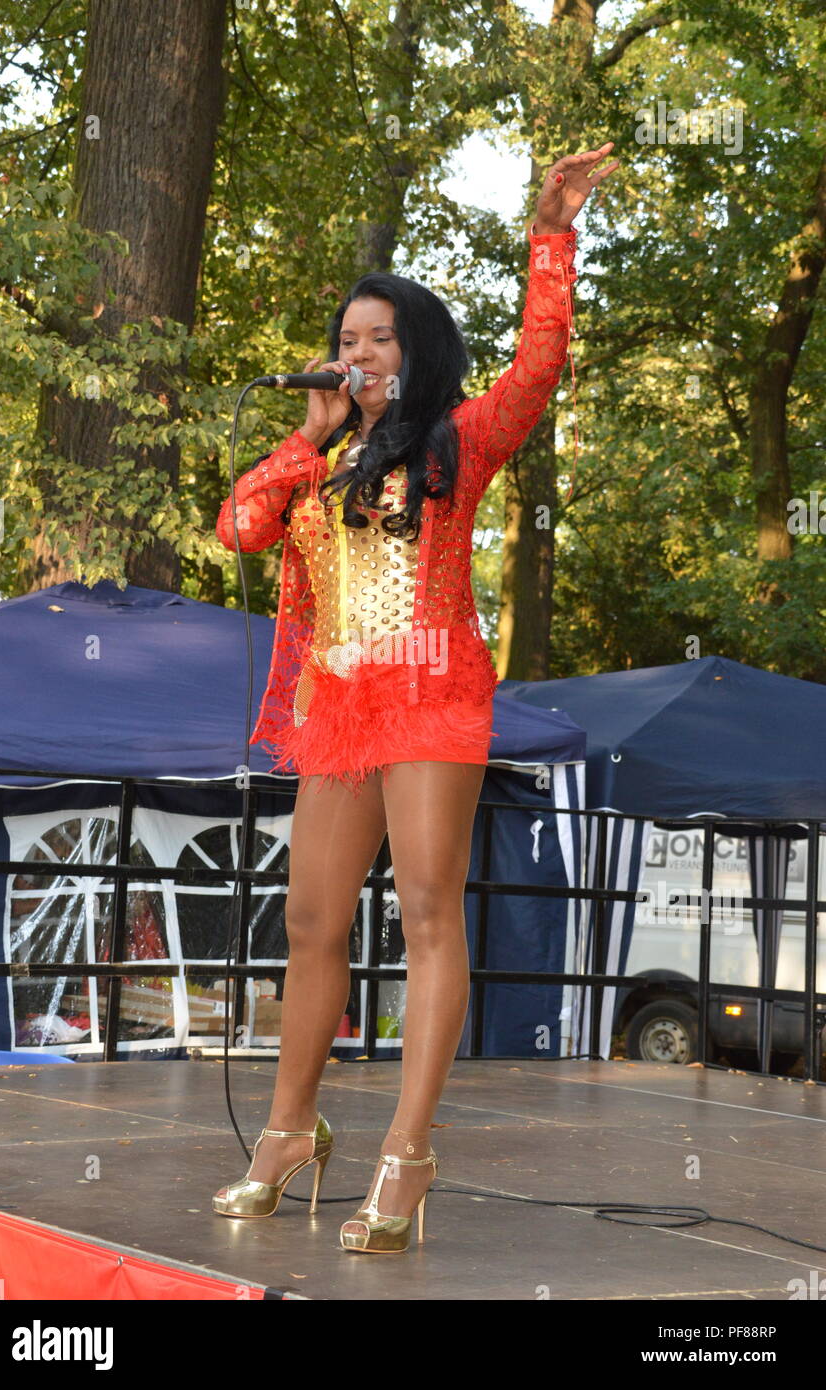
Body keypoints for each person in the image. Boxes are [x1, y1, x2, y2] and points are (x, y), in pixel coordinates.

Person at [213, 142, 619, 1254]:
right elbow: (237, 529)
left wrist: (552, 231)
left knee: (431, 908)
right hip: (341, 702)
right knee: (309, 921)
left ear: (417, 351)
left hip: (435, 693)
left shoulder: (458, 442)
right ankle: (291, 1131)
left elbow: (540, 365)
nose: (356, 354)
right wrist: (305, 439)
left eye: (377, 339)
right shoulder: (319, 463)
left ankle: (408, 1150)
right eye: (346, 340)